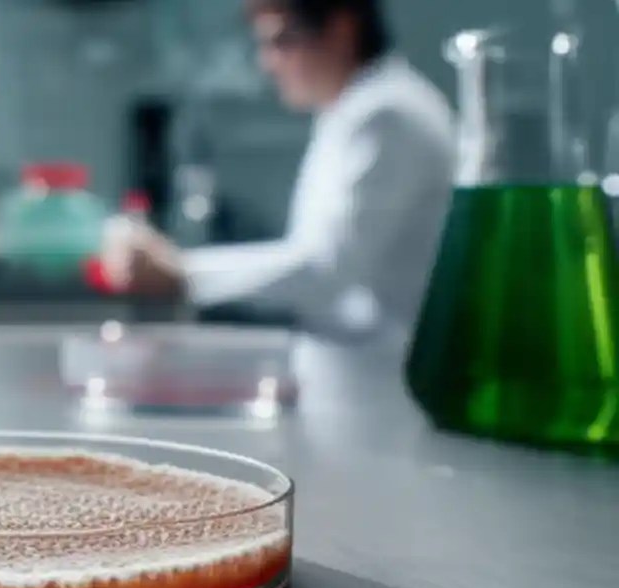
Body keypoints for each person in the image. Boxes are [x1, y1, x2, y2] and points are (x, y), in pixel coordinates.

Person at [107, 0, 455, 337]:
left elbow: (326, 271)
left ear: (341, 29)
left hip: (383, 376)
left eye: (280, 41)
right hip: (360, 370)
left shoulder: (386, 115)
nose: (268, 63)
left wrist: (181, 273)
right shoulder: (355, 110)